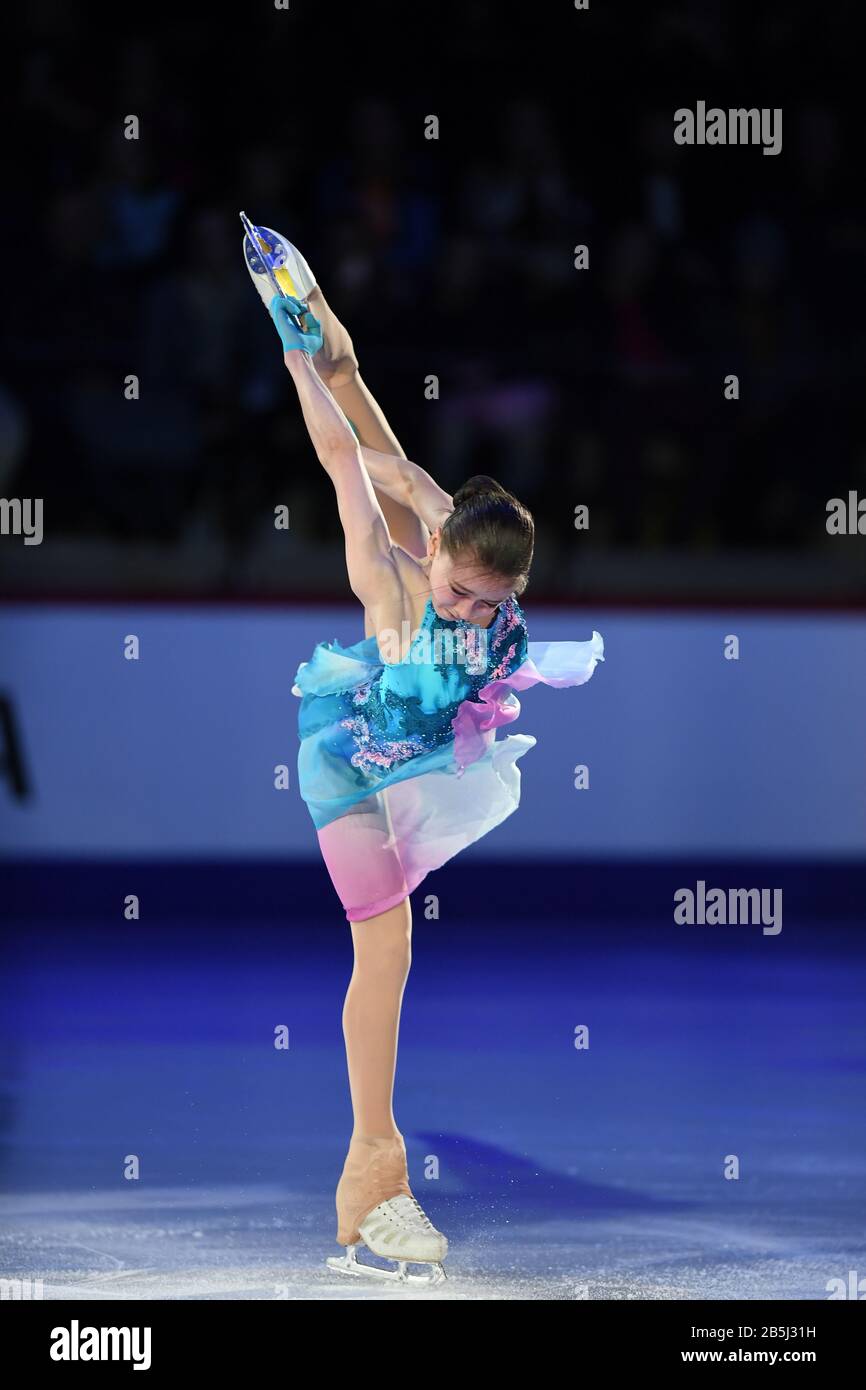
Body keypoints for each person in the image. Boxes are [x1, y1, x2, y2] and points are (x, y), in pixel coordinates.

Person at [251, 235, 604, 1284]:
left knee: (394, 947)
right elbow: (344, 449)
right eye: (458, 592)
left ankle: (370, 1178)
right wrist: (297, 343)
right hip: (350, 763)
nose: (466, 613)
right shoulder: (397, 576)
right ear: (434, 550)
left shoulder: (478, 555)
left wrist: (329, 342)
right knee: (387, 945)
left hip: (425, 765)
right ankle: (374, 1167)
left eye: (489, 604)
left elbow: (381, 422)